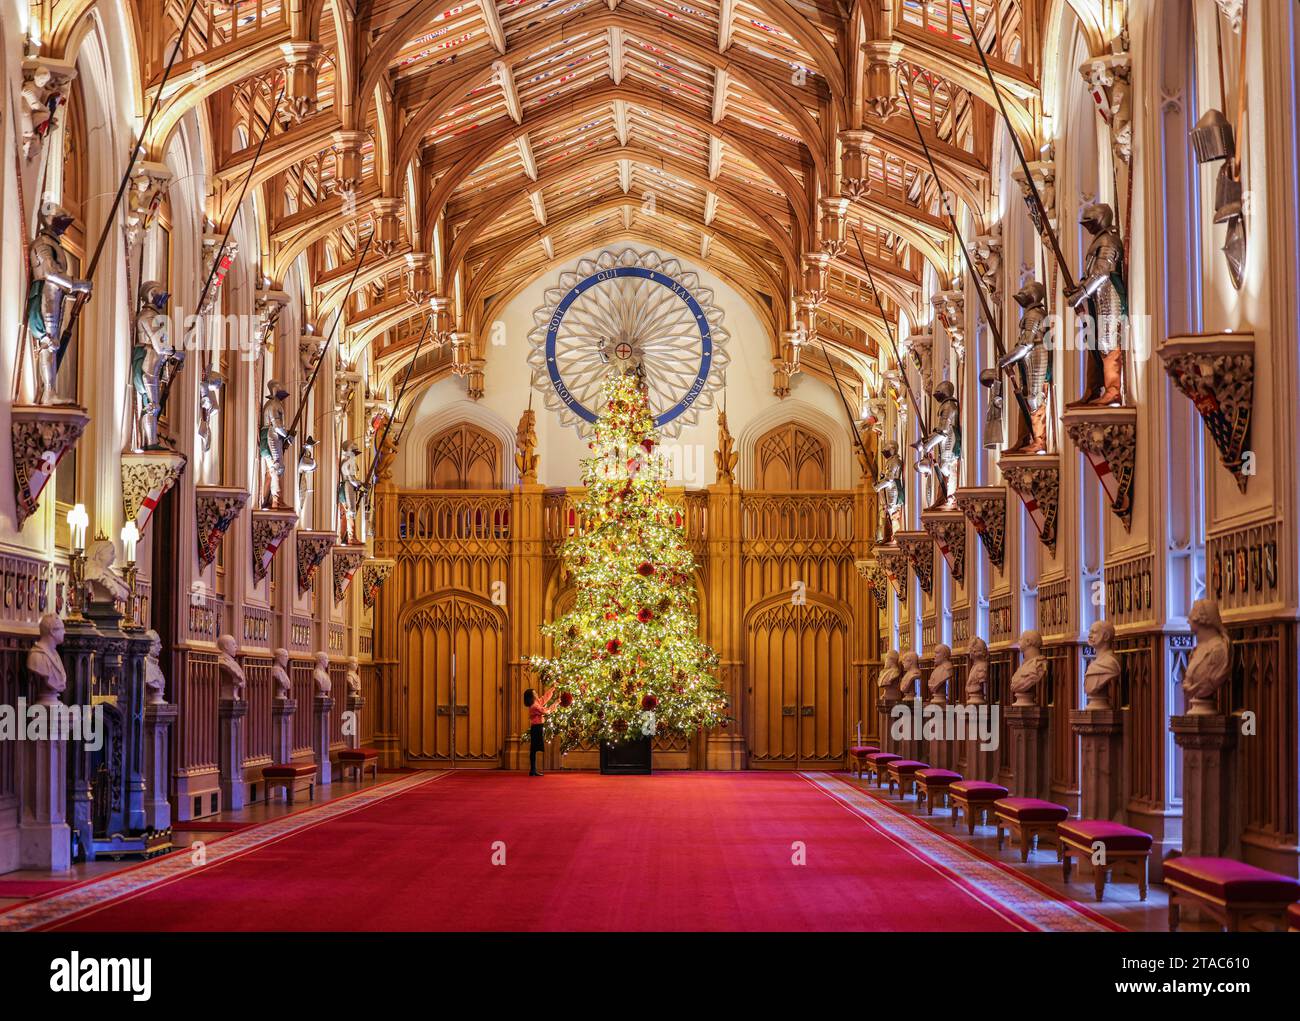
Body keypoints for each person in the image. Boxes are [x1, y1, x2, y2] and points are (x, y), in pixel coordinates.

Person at [523, 686, 555, 776]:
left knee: (534, 749)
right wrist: (556, 703)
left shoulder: (536, 703)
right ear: (532, 696)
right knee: (534, 749)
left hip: (537, 727)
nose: (537, 694)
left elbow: (544, 698)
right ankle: (533, 770)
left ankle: (533, 770)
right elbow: (546, 711)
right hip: (536, 728)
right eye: (535, 693)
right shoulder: (535, 706)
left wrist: (553, 688)